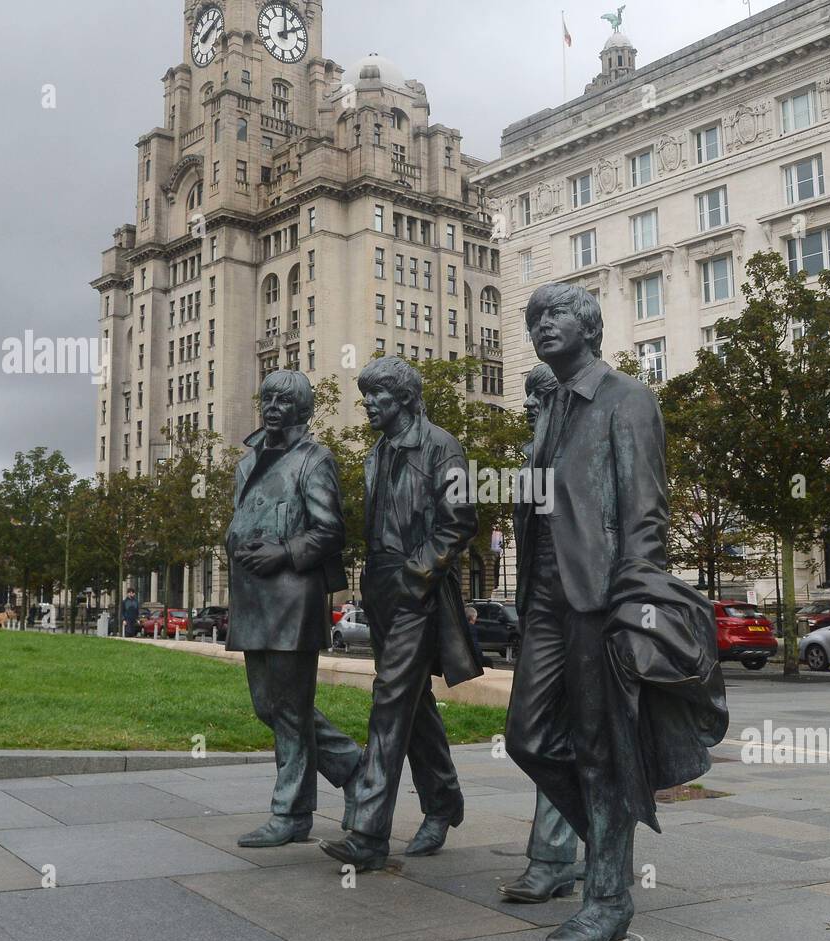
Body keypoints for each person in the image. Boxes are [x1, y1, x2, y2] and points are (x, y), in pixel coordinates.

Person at [506, 282, 721, 941]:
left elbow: (645, 513)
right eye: (536, 318)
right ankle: (605, 844)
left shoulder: (627, 400)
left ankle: (607, 896)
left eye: (558, 315)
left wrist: (635, 601)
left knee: (602, 751)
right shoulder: (551, 411)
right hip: (543, 597)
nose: (544, 325)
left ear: (589, 326)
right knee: (528, 737)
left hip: (600, 597)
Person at [320, 356, 483, 872]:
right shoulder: (375, 455)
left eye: (378, 396)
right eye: (366, 395)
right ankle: (444, 801)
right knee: (413, 703)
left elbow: (460, 522)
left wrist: (417, 575)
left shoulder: (442, 446)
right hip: (382, 589)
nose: (368, 404)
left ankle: (368, 833)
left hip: (420, 588)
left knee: (389, 699)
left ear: (406, 399)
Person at [225, 370, 364, 848]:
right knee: (271, 706)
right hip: (251, 596)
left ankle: (290, 812)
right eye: (268, 398)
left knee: (287, 706)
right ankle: (354, 768)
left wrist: (282, 552)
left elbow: (330, 530)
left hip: (292, 595)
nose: (273, 406)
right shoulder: (246, 463)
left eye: (285, 400)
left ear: (303, 409)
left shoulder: (315, 459)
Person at [498, 362, 581, 905]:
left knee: (583, 735)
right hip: (542, 609)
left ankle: (555, 858)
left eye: (541, 396)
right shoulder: (530, 459)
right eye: (528, 397)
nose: (529, 405)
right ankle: (592, 835)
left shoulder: (588, 446)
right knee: (529, 733)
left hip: (588, 607)